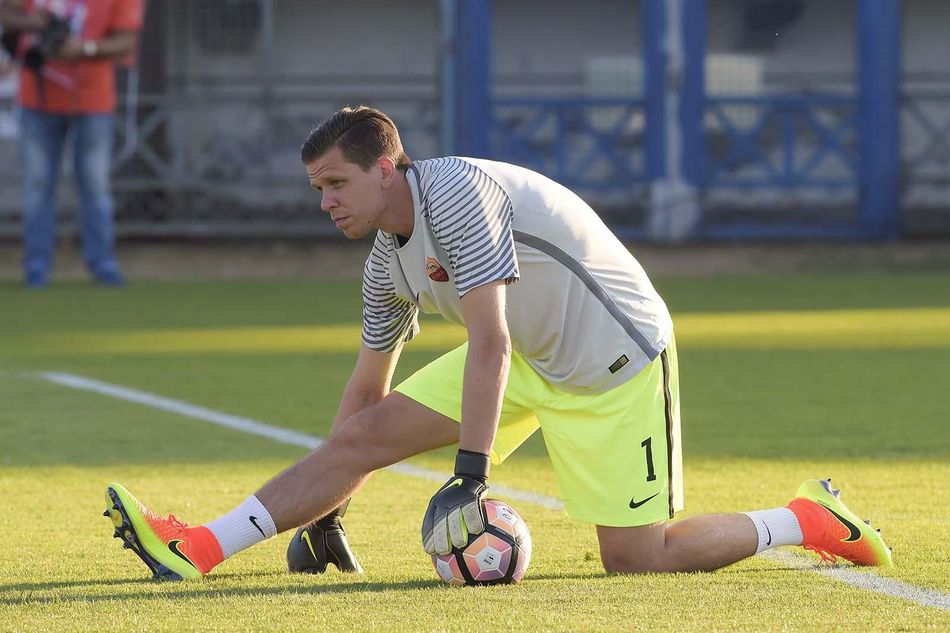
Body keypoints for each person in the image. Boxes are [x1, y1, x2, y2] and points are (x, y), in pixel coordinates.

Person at [102, 106, 893, 581]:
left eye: (337, 183)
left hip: (614, 361)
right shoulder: (384, 262)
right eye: (318, 189)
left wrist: (469, 478)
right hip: (527, 357)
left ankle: (806, 518)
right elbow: (365, 397)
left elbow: (491, 341)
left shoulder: (456, 196)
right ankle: (197, 546)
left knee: (638, 558)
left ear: (388, 168)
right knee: (365, 433)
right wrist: (328, 513)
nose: (325, 203)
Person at [0, 0, 143, 288]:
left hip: (93, 99)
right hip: (37, 99)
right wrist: (35, 23)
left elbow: (127, 41)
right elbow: (6, 12)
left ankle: (102, 263)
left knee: (95, 184)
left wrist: (84, 49)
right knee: (38, 184)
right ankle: (37, 266)